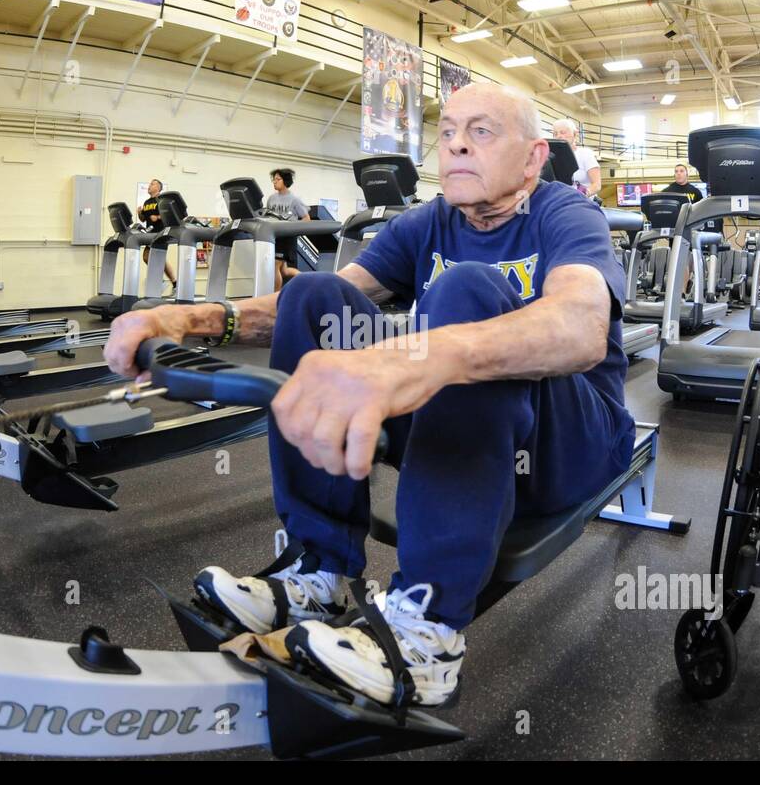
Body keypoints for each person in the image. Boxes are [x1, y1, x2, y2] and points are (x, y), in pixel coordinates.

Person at [104, 83, 631, 707]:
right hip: (477, 426)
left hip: (569, 443)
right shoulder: (429, 222)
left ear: (534, 157)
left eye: (482, 131)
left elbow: (581, 327)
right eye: (449, 131)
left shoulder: (565, 215)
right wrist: (185, 318)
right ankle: (319, 570)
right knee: (312, 297)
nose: (457, 143)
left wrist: (417, 354)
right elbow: (300, 310)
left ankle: (428, 634)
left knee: (465, 291)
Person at [266, 168, 311, 290]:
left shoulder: (294, 199)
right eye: (273, 179)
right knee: (284, 271)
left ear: (285, 181)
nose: (274, 182)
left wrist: (292, 227)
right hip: (275, 237)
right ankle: (307, 282)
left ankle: (275, 297)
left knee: (275, 265)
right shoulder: (271, 199)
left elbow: (306, 219)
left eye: (278, 179)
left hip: (287, 238)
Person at [137, 178, 177, 292]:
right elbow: (143, 219)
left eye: (152, 184)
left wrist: (158, 217)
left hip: (161, 233)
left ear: (158, 187)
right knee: (152, 258)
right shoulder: (147, 202)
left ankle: (162, 281)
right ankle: (174, 283)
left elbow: (168, 214)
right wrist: (140, 213)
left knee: (150, 257)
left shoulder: (161, 200)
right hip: (150, 233)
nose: (149, 185)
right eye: (149, 183)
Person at [551, 118, 602, 198]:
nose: (559, 136)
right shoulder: (552, 157)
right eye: (555, 134)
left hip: (584, 203)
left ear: (574, 134)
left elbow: (597, 185)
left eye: (563, 132)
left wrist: (581, 195)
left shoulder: (585, 154)